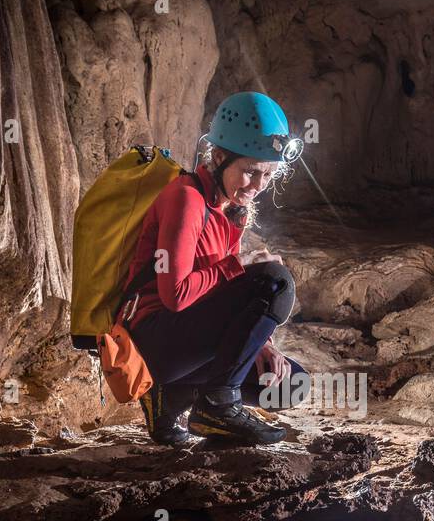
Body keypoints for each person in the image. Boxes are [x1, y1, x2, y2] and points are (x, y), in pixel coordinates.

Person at [122, 92, 308, 447]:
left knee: (290, 383)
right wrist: (239, 264)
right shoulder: (186, 199)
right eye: (251, 171)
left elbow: (227, 299)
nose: (257, 186)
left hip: (188, 342)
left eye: (268, 175)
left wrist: (262, 345)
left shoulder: (230, 212)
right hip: (155, 338)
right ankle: (216, 405)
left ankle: (168, 400)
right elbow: (175, 297)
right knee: (275, 281)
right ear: (219, 157)